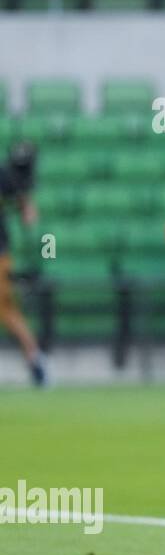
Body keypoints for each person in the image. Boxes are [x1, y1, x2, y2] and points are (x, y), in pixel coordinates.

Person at [0, 141, 47, 387]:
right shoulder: (9, 179)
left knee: (7, 310)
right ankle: (36, 360)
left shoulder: (8, 178)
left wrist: (26, 209)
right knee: (8, 311)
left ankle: (36, 361)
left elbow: (28, 211)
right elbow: (29, 212)